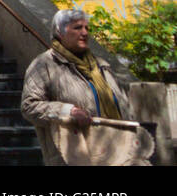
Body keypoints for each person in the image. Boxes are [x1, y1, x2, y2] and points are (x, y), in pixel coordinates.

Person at [21, 8, 139, 165]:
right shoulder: (44, 65)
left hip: (115, 152)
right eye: (77, 28)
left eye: (86, 28)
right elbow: (29, 106)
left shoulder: (100, 65)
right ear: (60, 32)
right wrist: (67, 111)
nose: (84, 33)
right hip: (74, 156)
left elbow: (122, 104)